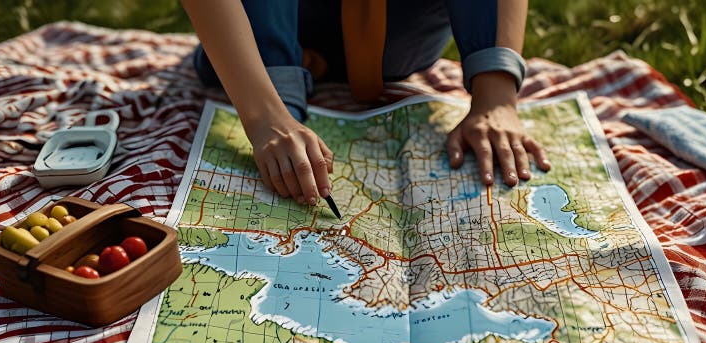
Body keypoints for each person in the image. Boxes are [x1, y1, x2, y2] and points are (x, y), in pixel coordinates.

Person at [181, 0, 551, 207]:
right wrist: (267, 118)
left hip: (400, 35)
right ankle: (273, 72)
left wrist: (496, 96)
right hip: (270, 24)